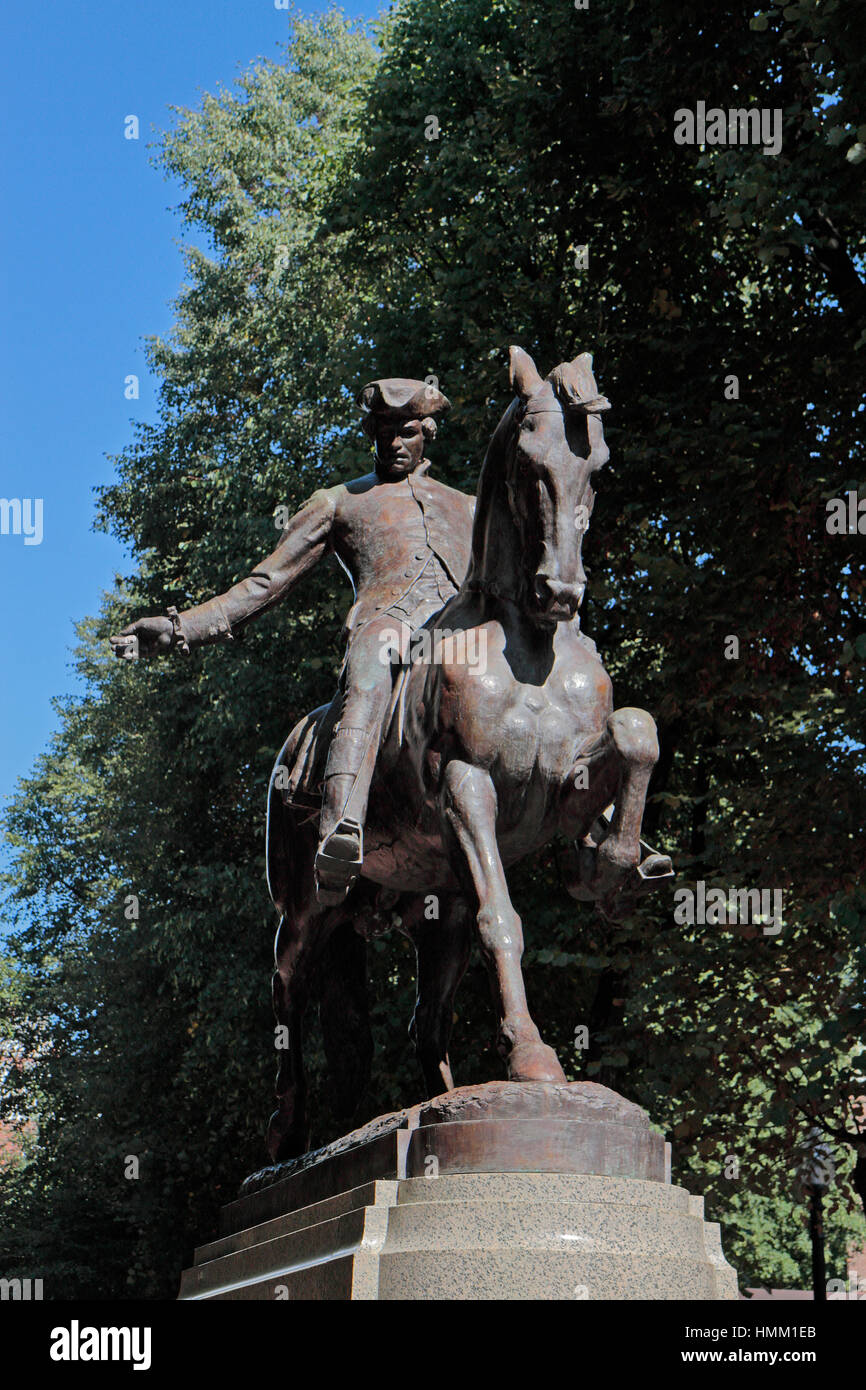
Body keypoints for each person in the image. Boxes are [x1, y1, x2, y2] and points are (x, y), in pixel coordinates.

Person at [111, 378, 475, 902]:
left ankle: (594, 827)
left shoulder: (469, 506)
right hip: (389, 627)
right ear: (371, 435)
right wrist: (176, 629)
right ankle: (342, 826)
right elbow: (266, 583)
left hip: (462, 639)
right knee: (369, 675)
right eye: (384, 433)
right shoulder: (338, 502)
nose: (395, 444)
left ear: (428, 434)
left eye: (409, 432)